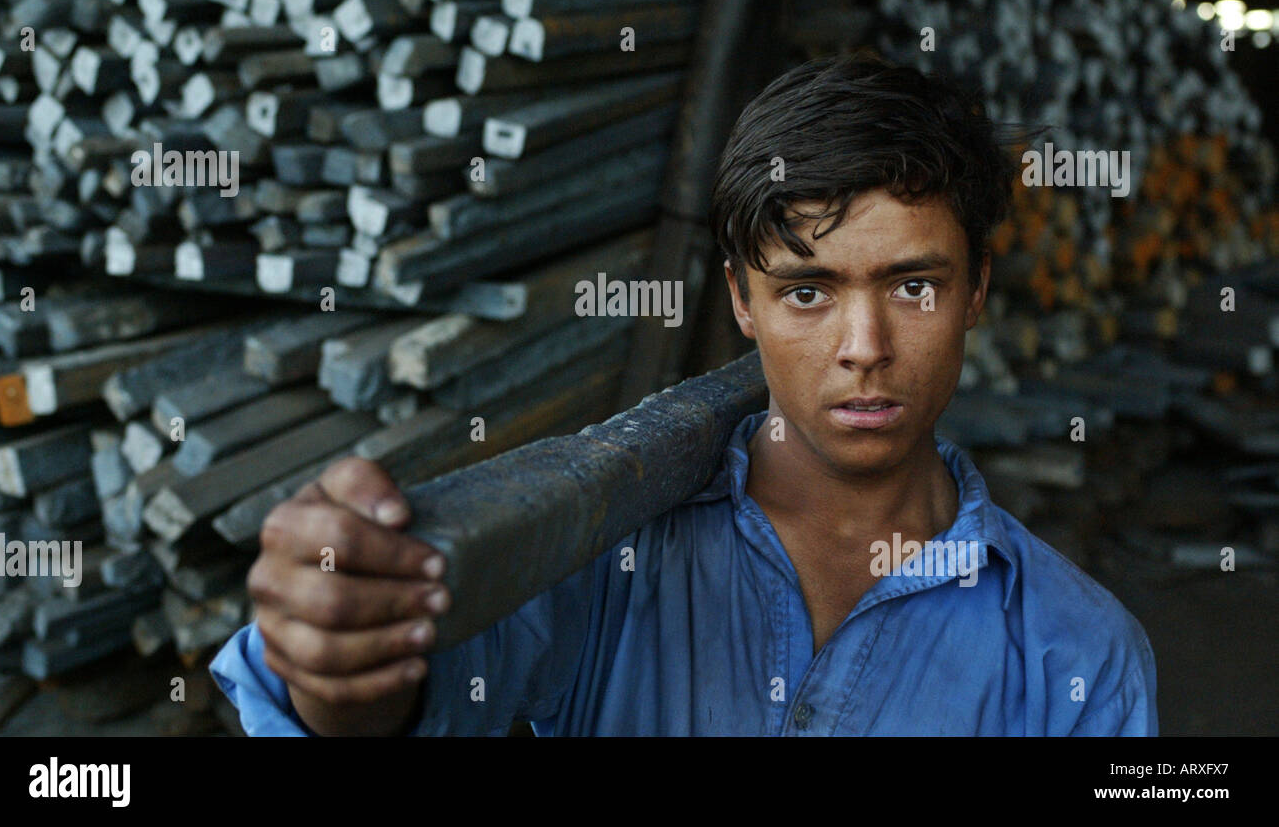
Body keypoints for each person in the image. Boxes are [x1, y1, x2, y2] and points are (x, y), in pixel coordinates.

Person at [210, 53, 1158, 736]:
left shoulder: (1077, 656)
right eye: (807, 291)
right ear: (742, 300)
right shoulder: (602, 546)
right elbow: (406, 699)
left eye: (914, 286)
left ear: (976, 293)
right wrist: (338, 656)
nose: (863, 349)